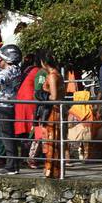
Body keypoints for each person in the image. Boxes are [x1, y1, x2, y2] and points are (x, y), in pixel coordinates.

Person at [0, 43, 24, 173]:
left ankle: (11, 166)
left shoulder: (8, 71)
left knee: (7, 136)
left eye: (1, 58)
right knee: (10, 135)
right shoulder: (17, 70)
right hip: (12, 104)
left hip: (4, 105)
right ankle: (14, 164)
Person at [34, 50, 63, 179]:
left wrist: (41, 94)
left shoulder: (52, 76)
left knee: (50, 141)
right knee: (55, 141)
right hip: (58, 111)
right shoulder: (59, 74)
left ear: (44, 63)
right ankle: (55, 170)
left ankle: (49, 170)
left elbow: (54, 96)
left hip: (52, 111)